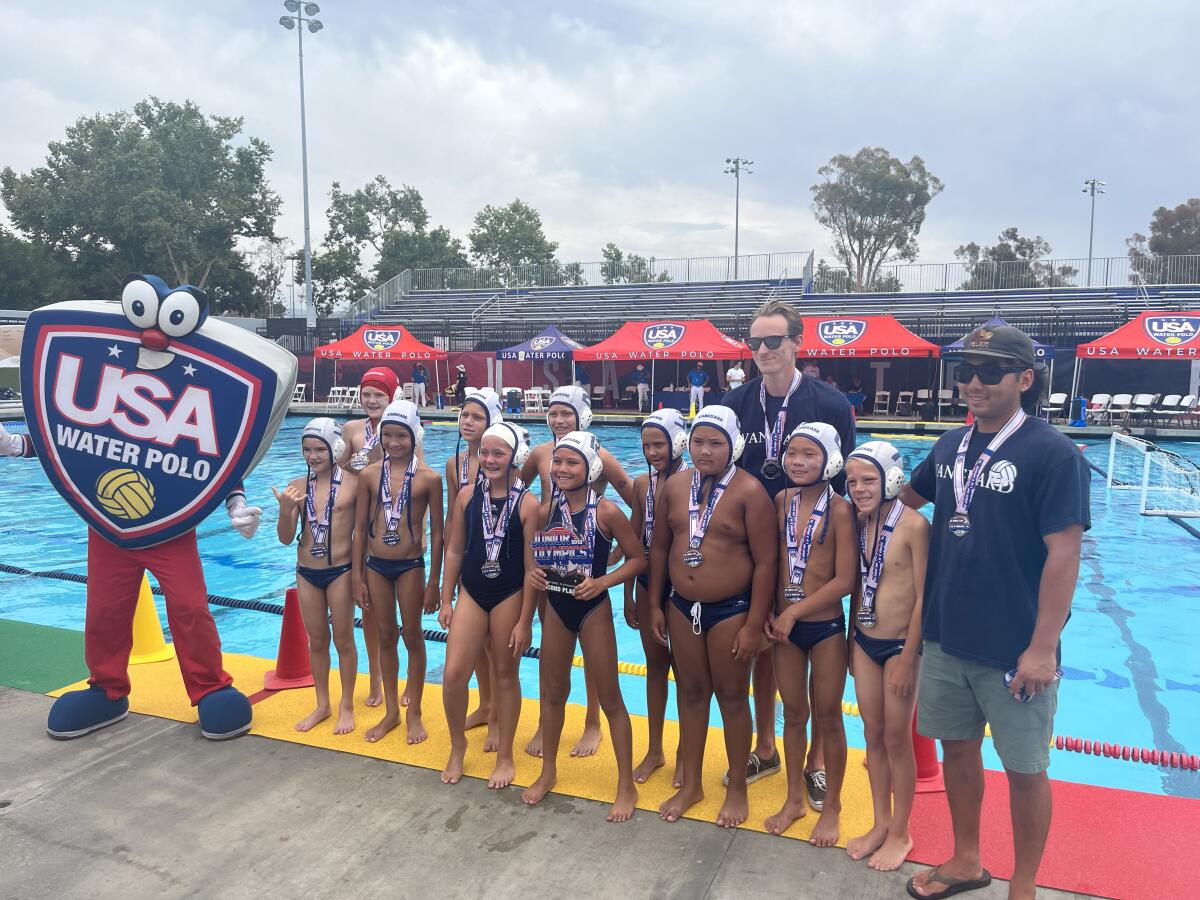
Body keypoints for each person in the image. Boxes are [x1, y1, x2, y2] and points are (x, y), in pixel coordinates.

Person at [900, 325, 1089, 900]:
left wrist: (1040, 648)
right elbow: (907, 502)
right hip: (946, 635)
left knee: (1025, 768)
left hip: (1013, 646)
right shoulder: (949, 447)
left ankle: (1025, 882)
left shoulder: (1052, 453)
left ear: (1024, 379)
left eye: (990, 371)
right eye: (965, 371)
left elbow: (1065, 554)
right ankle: (965, 859)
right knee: (958, 749)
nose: (974, 382)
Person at [723, 298, 856, 808]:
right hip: (754, 544)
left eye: (773, 340)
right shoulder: (735, 402)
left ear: (797, 343)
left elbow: (845, 479)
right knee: (760, 644)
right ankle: (765, 746)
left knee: (818, 684)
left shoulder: (829, 404)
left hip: (812, 539)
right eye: (755, 341)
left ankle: (816, 763)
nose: (762, 350)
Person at [647, 406, 776, 828]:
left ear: (734, 446)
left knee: (732, 697)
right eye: (699, 441)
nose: (705, 451)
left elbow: (765, 563)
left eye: (716, 443)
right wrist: (655, 603)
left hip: (731, 610)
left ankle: (738, 785)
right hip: (682, 606)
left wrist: (755, 623)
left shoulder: (749, 492)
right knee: (691, 692)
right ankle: (692, 785)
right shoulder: (675, 487)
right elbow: (661, 550)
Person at [522, 431, 644, 822]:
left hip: (592, 609)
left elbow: (638, 558)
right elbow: (534, 565)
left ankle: (626, 784)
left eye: (572, 462)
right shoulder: (544, 512)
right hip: (556, 607)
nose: (561, 469)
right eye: (558, 461)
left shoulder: (607, 511)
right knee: (553, 693)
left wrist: (603, 580)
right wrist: (534, 585)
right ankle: (548, 771)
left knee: (611, 698)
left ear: (590, 468)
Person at [519, 385, 636, 758]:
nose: (558, 420)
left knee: (592, 652)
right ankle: (545, 721)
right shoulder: (540, 453)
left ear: (581, 416)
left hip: (587, 572)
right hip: (551, 565)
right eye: (553, 412)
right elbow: (517, 494)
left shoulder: (599, 455)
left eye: (566, 413)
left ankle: (592, 722)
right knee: (553, 652)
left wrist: (624, 544)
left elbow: (631, 494)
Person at [763, 422, 856, 846]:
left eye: (809, 455)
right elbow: (771, 560)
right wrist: (768, 609)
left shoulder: (841, 510)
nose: (798, 462)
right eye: (793, 453)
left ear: (831, 461)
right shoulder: (781, 500)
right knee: (793, 713)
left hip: (823, 629)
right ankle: (794, 799)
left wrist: (793, 611)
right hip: (783, 627)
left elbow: (845, 579)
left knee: (828, 716)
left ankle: (832, 806)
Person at [843, 441, 928, 872]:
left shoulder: (915, 526)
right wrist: (848, 641)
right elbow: (859, 586)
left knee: (898, 739)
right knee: (872, 735)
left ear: (892, 479)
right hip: (863, 640)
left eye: (869, 480)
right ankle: (879, 823)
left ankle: (901, 831)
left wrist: (911, 656)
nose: (859, 488)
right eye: (853, 481)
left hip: (899, 647)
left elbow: (923, 599)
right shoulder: (857, 525)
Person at [440, 422, 540, 790]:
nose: (490, 459)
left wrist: (525, 621)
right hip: (472, 592)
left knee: (504, 675)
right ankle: (457, 746)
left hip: (509, 595)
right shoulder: (467, 496)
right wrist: (445, 596)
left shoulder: (530, 505)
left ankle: (505, 757)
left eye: (498, 453)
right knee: (452, 675)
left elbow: (533, 569)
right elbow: (453, 548)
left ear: (515, 457)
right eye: (485, 452)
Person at [352, 400, 444, 745]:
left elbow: (438, 534)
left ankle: (414, 711)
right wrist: (357, 577)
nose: (393, 443)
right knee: (386, 636)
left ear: (414, 435)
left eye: (400, 436)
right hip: (376, 565)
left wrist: (435, 581)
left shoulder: (429, 478)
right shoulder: (369, 475)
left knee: (412, 636)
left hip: (410, 566)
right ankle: (391, 712)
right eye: (387, 435)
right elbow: (360, 529)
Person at [273, 419, 360, 735]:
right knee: (317, 641)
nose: (313, 456)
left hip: (341, 571)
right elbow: (285, 538)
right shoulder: (297, 485)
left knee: (344, 640)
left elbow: (363, 531)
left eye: (319, 449)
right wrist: (286, 510)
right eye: (307, 449)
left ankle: (346, 704)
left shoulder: (354, 483)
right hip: (307, 572)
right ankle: (322, 704)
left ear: (335, 448)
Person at [623, 409, 688, 786]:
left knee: (685, 674)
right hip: (648, 585)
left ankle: (684, 751)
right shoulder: (641, 485)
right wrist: (629, 594)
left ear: (677, 442)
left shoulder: (695, 482)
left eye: (659, 444)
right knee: (655, 669)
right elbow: (634, 539)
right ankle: (655, 748)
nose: (652, 452)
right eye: (646, 445)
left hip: (679, 591)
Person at [443, 387, 505, 749]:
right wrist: (447, 578)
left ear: (491, 422)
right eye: (464, 415)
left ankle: (497, 716)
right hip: (468, 557)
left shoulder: (501, 458)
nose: (467, 422)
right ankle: (484, 705)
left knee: (496, 648)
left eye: (476, 417)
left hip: (496, 559)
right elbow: (455, 518)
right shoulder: (455, 463)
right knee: (478, 645)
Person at [339, 366, 401, 709]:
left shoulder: (404, 428)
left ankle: (401, 678)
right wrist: (355, 463)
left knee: (398, 609)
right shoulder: (351, 429)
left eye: (379, 394)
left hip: (394, 527)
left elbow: (417, 474)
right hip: (361, 525)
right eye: (367, 394)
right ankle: (376, 676)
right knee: (369, 607)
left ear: (391, 397)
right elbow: (337, 473)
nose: (372, 400)